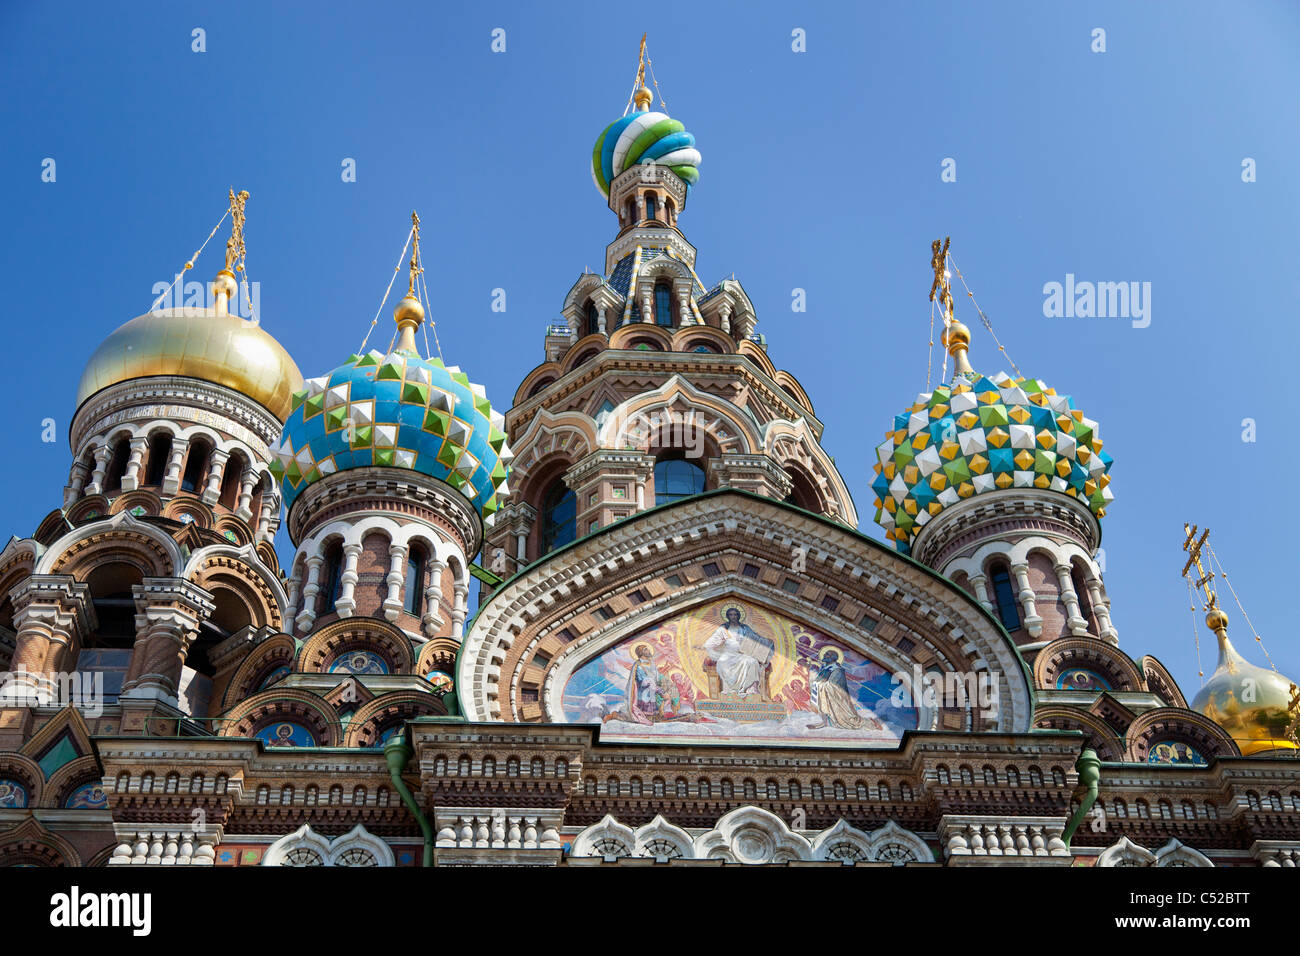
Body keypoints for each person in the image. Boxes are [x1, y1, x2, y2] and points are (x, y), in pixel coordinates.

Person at [700, 606, 774, 697]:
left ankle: (751, 689)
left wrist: (767, 642)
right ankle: (730, 689)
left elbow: (756, 639)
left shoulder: (745, 628)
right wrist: (703, 647)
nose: (733, 617)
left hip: (742, 654)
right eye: (731, 615)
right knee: (723, 662)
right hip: (728, 655)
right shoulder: (723, 629)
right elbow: (712, 642)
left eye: (735, 615)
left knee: (752, 661)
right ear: (728, 616)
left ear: (738, 616)